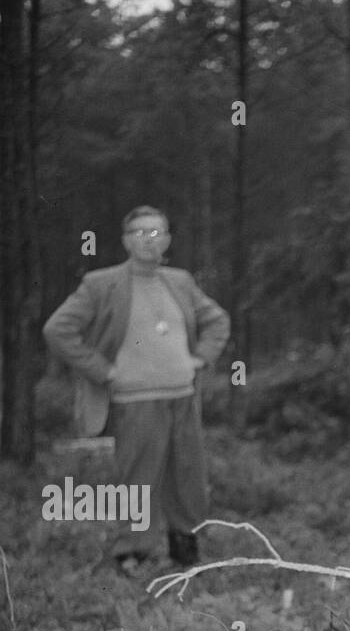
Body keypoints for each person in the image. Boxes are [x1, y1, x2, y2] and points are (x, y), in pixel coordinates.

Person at [43, 205, 230, 574]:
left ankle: (186, 552)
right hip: (135, 400)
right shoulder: (102, 283)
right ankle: (133, 554)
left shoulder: (180, 281)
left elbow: (217, 321)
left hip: (182, 397)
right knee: (140, 476)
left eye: (157, 232)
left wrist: (200, 359)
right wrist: (103, 371)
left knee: (188, 474)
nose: (149, 240)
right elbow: (57, 330)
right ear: (127, 241)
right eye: (141, 233)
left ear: (168, 239)